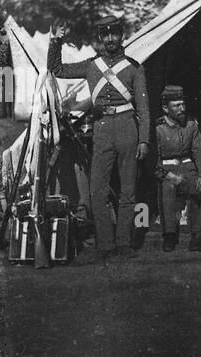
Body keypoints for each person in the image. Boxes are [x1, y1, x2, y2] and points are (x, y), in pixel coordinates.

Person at [48, 14, 150, 261]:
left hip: (128, 128)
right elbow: (58, 69)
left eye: (114, 33)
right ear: (101, 38)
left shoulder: (135, 67)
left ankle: (124, 242)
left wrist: (144, 139)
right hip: (102, 129)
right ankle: (105, 243)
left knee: (128, 190)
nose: (110, 38)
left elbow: (144, 108)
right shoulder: (92, 65)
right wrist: (56, 41)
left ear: (121, 35)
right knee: (98, 190)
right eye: (105, 34)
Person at [153, 85, 201, 252]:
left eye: (183, 104)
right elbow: (152, 162)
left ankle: (199, 236)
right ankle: (170, 236)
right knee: (167, 188)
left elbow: (200, 152)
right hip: (167, 171)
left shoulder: (191, 125)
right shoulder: (157, 128)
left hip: (189, 170)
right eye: (176, 105)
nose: (182, 108)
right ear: (166, 108)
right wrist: (169, 176)